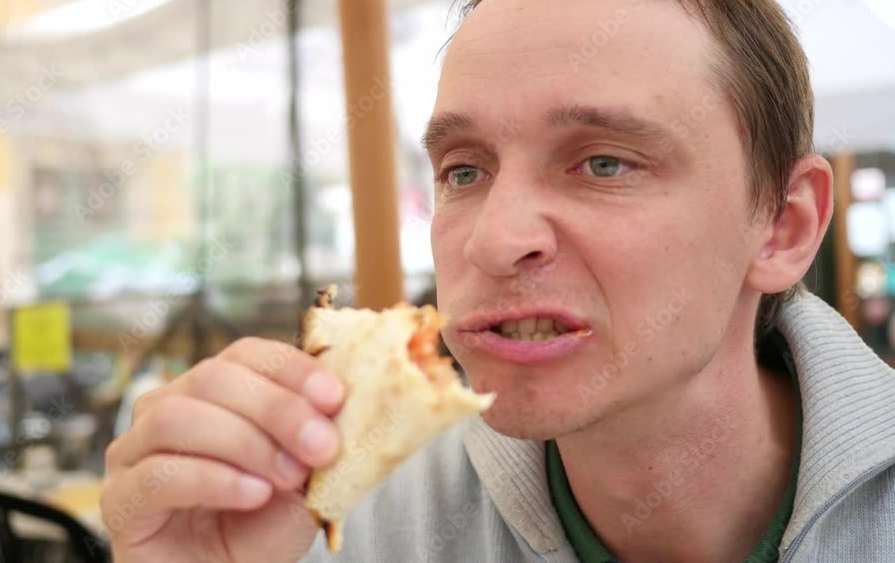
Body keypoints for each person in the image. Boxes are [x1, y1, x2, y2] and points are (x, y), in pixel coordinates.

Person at [99, 0, 895, 561]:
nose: (493, 239)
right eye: (465, 170)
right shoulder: (338, 522)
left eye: (605, 161)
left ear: (785, 226)